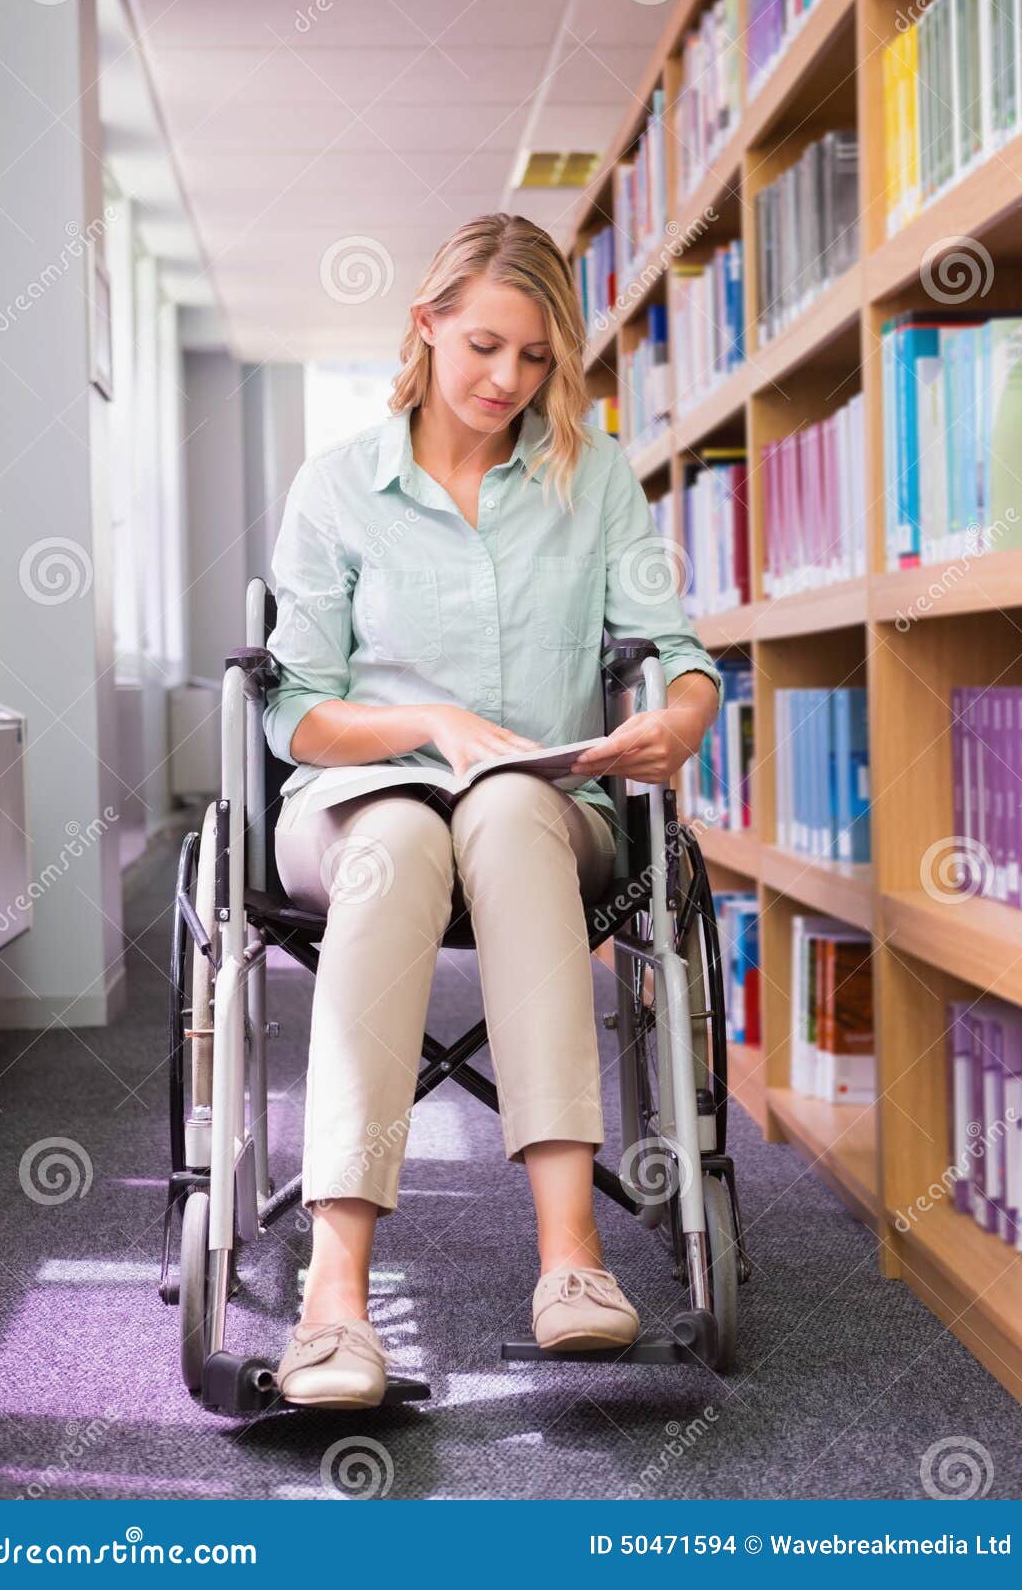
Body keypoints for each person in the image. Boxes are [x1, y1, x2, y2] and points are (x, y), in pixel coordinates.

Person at [264, 213, 721, 1408]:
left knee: (510, 810)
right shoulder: (335, 488)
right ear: (424, 326)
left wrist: (679, 718)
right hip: (358, 808)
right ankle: (334, 1300)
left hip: (543, 812)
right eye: (482, 346)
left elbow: (676, 650)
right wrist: (433, 729)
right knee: (408, 828)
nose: (505, 381)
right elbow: (298, 713)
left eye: (534, 359)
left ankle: (570, 1262)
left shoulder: (594, 475)